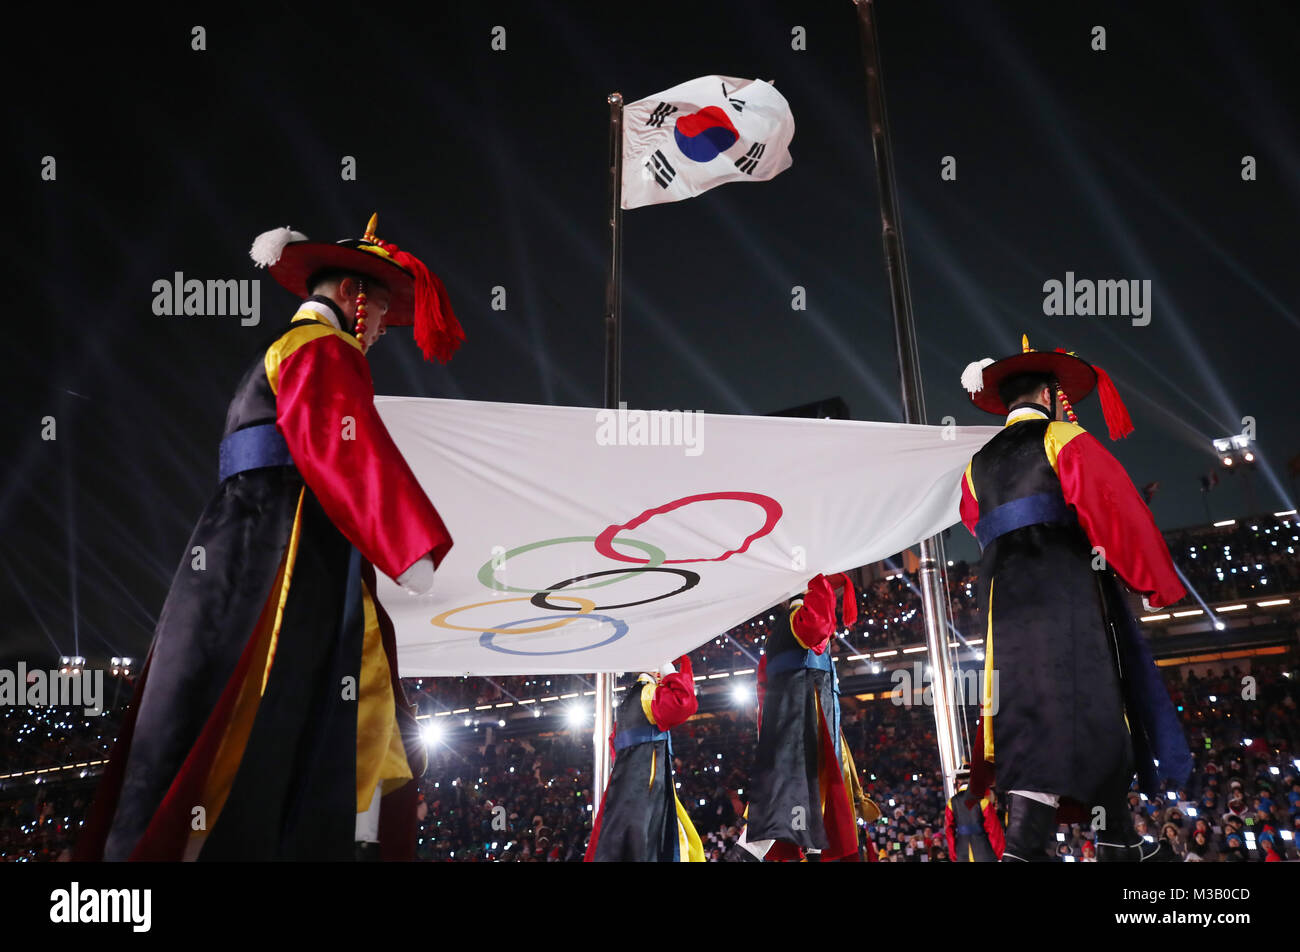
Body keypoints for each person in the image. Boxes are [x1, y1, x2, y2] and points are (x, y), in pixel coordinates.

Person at [75, 214, 464, 861]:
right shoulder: (323, 348)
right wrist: (411, 546)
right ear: (352, 296)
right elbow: (345, 449)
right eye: (380, 316)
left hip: (238, 542)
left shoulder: (282, 349)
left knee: (200, 700)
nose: (378, 333)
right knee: (277, 700)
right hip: (283, 547)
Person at [958, 336, 1191, 862]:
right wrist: (1152, 582)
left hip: (1004, 607)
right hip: (1065, 592)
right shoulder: (1064, 438)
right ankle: (1023, 850)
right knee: (1080, 705)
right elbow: (1113, 510)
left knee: (1042, 710)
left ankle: (1119, 844)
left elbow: (978, 522)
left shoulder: (976, 465)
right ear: (1047, 393)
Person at [727, 573, 879, 862]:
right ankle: (748, 852)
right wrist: (816, 584)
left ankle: (783, 850)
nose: (832, 642)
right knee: (791, 796)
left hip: (801, 726)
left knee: (800, 799)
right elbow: (819, 624)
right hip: (803, 728)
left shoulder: (781, 635)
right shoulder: (797, 623)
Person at [585, 657, 702, 861]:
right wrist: (670, 671)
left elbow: (615, 746)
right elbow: (683, 703)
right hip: (646, 794)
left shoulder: (627, 704)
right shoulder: (648, 694)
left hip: (627, 792)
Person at [944, 767, 1005, 861]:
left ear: (958, 783)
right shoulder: (983, 801)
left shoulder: (951, 803)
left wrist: (953, 855)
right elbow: (994, 830)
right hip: (984, 852)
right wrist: (1001, 854)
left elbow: (949, 831)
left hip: (962, 853)